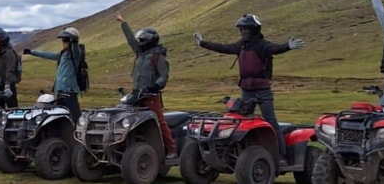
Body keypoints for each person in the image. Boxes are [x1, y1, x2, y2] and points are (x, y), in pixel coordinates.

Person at [194, 15, 305, 161]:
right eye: (241, 29)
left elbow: (275, 49)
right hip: (246, 91)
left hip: (263, 91)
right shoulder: (241, 45)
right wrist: (203, 43)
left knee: (270, 120)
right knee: (242, 122)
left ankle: (281, 154)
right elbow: (223, 48)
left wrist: (287, 46)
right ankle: (245, 153)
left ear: (253, 30)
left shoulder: (262, 45)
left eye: (244, 29)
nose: (242, 32)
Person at [116, 11, 176, 159]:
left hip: (151, 96)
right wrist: (123, 23)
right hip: (136, 94)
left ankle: (172, 150)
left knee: (160, 122)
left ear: (151, 41)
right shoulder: (140, 54)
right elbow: (131, 40)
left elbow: (164, 76)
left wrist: (156, 86)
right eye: (140, 40)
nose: (140, 43)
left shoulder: (158, 57)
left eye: (143, 40)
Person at [24, 26, 84, 119]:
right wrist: (32, 52)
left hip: (69, 91)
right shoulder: (62, 55)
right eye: (63, 41)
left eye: (66, 41)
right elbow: (48, 55)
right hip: (59, 92)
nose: (64, 43)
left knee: (74, 115)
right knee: (60, 115)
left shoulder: (75, 55)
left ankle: (77, 131)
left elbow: (75, 48)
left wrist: (74, 41)